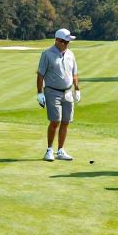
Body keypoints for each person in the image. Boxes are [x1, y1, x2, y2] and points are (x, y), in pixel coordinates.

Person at [36, 28, 81, 161]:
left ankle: (60, 150)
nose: (67, 44)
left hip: (67, 92)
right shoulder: (47, 54)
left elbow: (75, 73)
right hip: (52, 92)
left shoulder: (70, 54)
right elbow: (40, 75)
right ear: (57, 41)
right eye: (65, 42)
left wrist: (77, 89)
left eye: (68, 42)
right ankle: (49, 150)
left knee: (66, 122)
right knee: (55, 121)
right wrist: (40, 93)